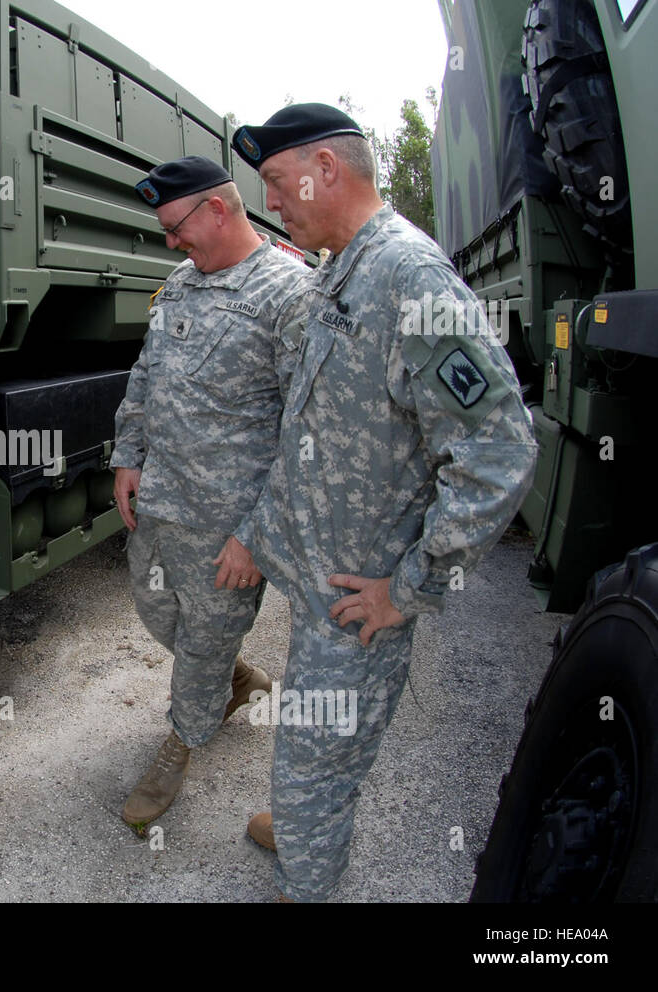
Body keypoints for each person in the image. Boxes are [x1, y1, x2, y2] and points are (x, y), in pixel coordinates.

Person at [217, 104, 537, 901]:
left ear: (326, 167)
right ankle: (304, 826)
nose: (275, 203)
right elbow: (313, 421)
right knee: (313, 755)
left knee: (313, 764)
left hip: (361, 605)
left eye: (277, 183)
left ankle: (306, 862)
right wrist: (261, 532)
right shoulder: (344, 268)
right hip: (322, 581)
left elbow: (499, 449)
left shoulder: (408, 276)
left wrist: (411, 587)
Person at [111, 155, 310, 827]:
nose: (171, 242)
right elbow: (147, 372)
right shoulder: (181, 281)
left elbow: (310, 433)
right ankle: (235, 680)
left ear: (218, 210)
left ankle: (181, 742)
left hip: (230, 526)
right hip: (163, 501)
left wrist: (259, 535)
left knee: (203, 638)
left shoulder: (291, 294)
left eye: (176, 226)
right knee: (156, 610)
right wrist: (127, 456)